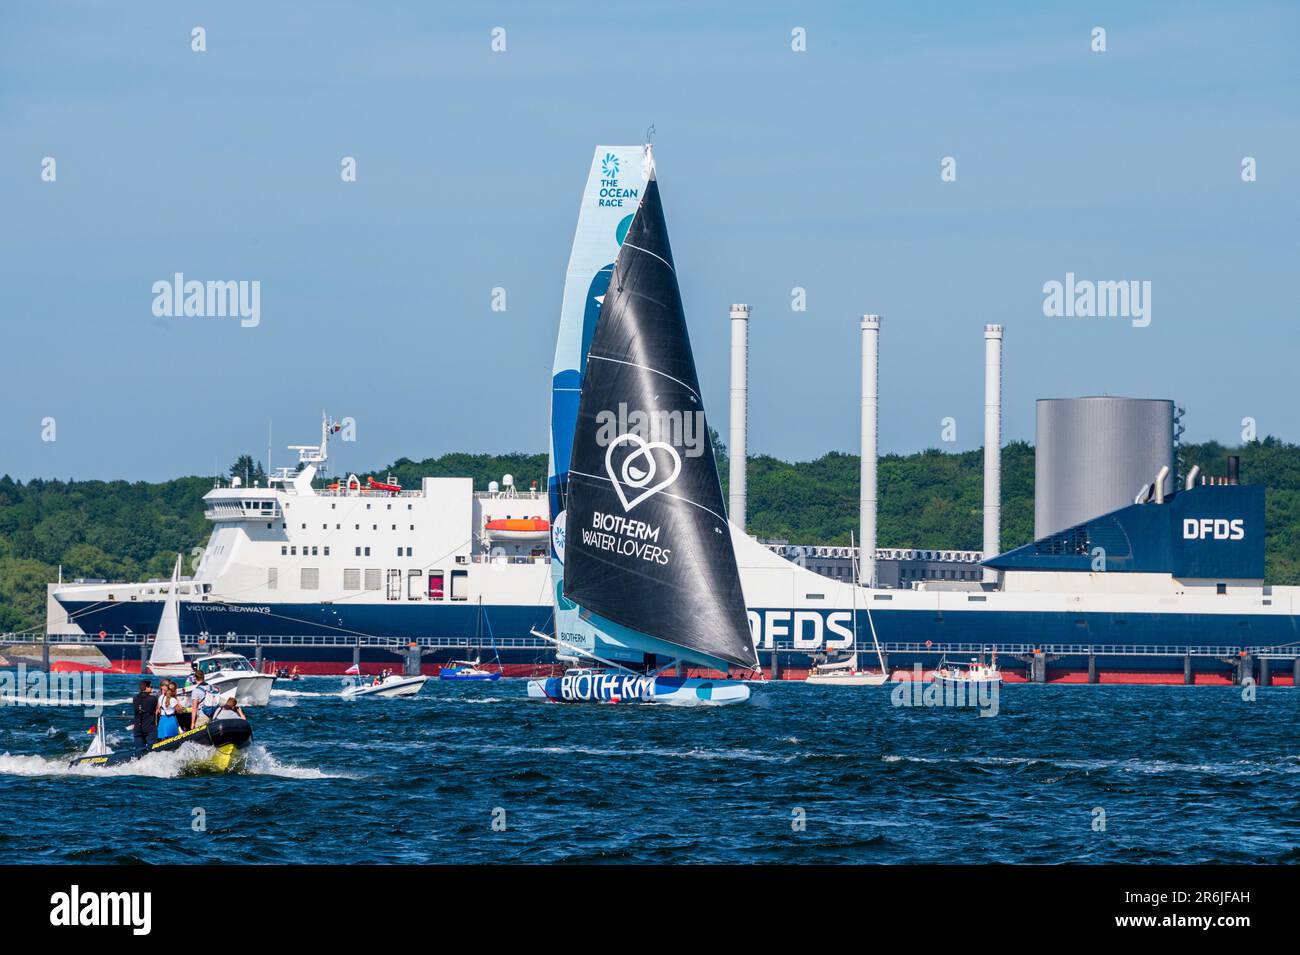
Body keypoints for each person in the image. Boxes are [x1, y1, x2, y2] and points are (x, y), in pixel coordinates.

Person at [132, 680, 158, 749]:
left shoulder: (135, 698)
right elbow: (157, 709)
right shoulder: (153, 699)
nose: (152, 688)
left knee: (139, 751)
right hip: (149, 728)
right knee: (152, 750)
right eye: (151, 687)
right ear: (146, 687)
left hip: (138, 728)